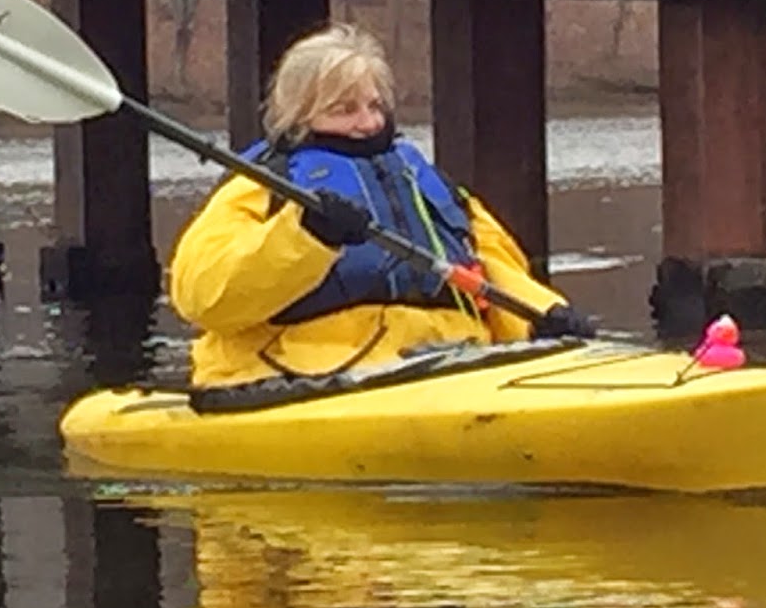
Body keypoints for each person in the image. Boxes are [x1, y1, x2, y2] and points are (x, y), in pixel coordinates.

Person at [168, 22, 594, 388]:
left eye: (374, 106)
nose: (367, 123)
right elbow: (204, 295)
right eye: (344, 109)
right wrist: (307, 236)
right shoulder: (263, 185)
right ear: (300, 114)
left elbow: (486, 265)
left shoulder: (421, 178)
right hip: (312, 370)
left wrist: (545, 316)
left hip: (451, 359)